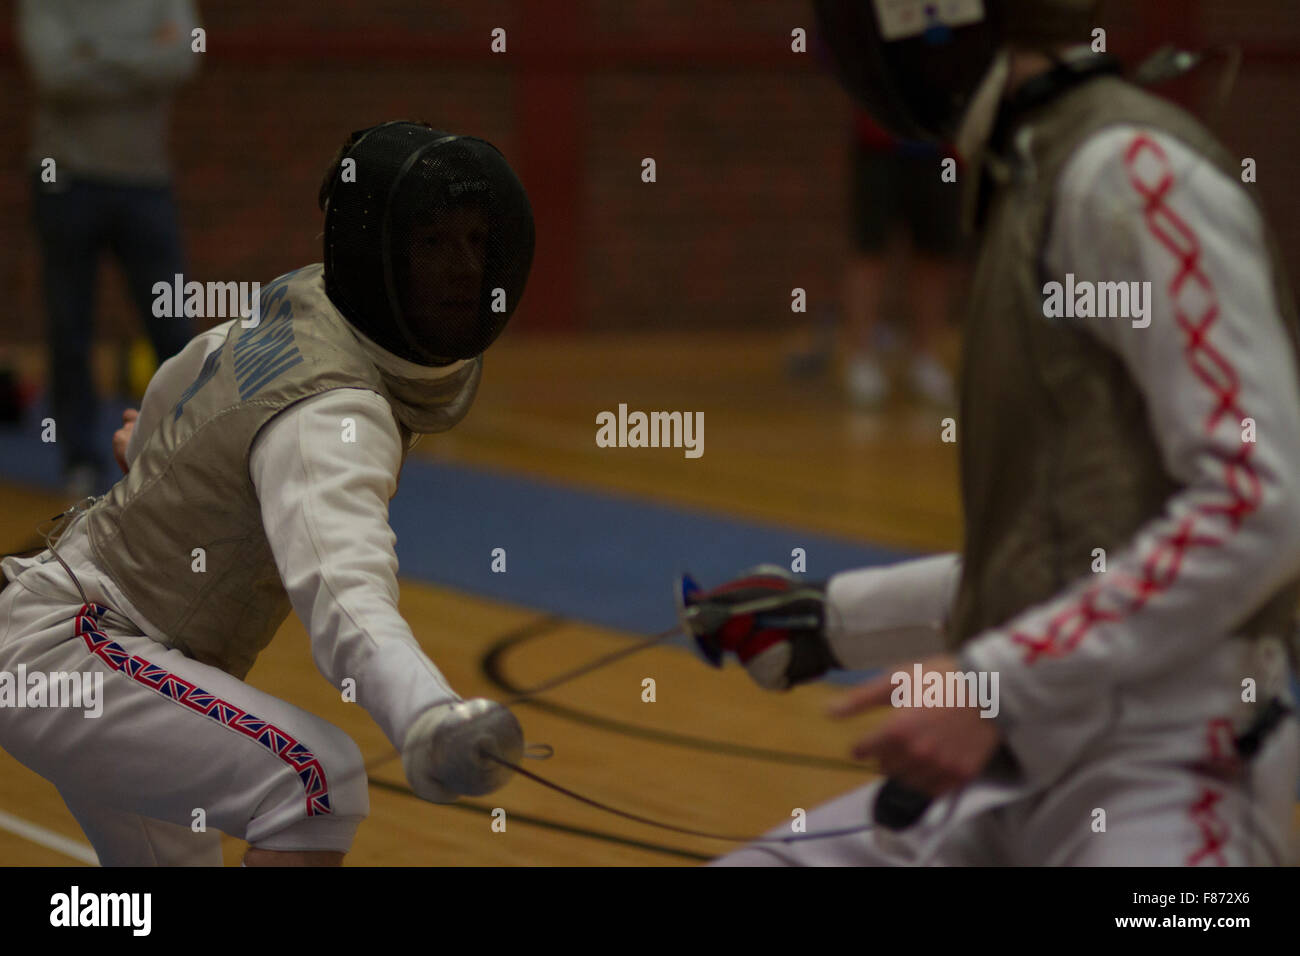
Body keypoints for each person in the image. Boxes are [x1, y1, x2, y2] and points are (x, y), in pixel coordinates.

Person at [682, 0, 1300, 865]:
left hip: (1170, 777)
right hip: (1021, 769)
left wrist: (991, 683)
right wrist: (832, 620)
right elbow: (1068, 550)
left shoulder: (1129, 171)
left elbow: (1258, 502)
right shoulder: (1032, 172)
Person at [0, 122, 536, 866]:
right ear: (378, 249)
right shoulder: (335, 410)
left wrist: (148, 453)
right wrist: (427, 716)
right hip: (80, 648)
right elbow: (344, 592)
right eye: (434, 243)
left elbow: (182, 378)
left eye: (479, 243)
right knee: (317, 785)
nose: (464, 270)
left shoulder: (307, 300)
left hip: (98, 649)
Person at [19, 0, 203, 498]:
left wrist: (93, 53)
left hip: (146, 183)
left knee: (173, 327)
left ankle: (190, 453)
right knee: (69, 329)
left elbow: (185, 56)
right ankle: (79, 461)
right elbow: (55, 74)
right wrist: (143, 59)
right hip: (64, 179)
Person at [841, 109, 962, 409]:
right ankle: (860, 357)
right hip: (879, 143)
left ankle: (925, 357)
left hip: (939, 145)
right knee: (870, 250)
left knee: (934, 253)